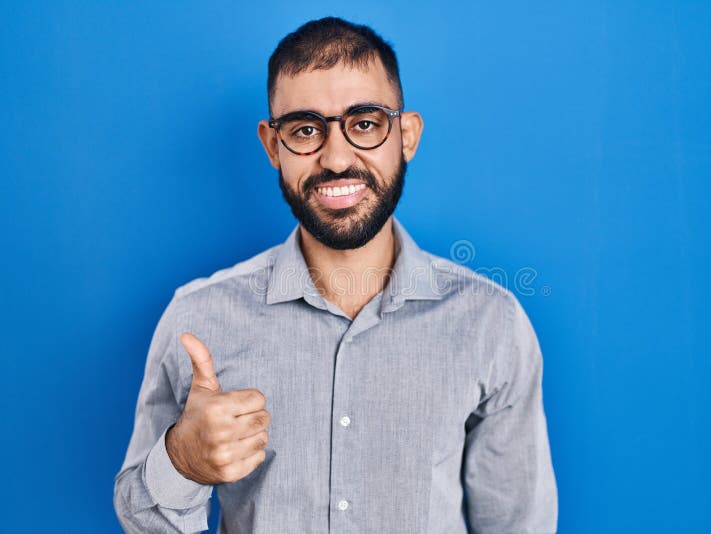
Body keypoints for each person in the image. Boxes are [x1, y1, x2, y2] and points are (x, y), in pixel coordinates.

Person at [114, 16, 558, 534]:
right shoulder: (198, 318)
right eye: (305, 130)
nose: (337, 157)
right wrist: (182, 464)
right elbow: (143, 519)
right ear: (272, 146)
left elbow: (518, 525)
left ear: (407, 135)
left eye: (365, 123)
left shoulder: (491, 323)